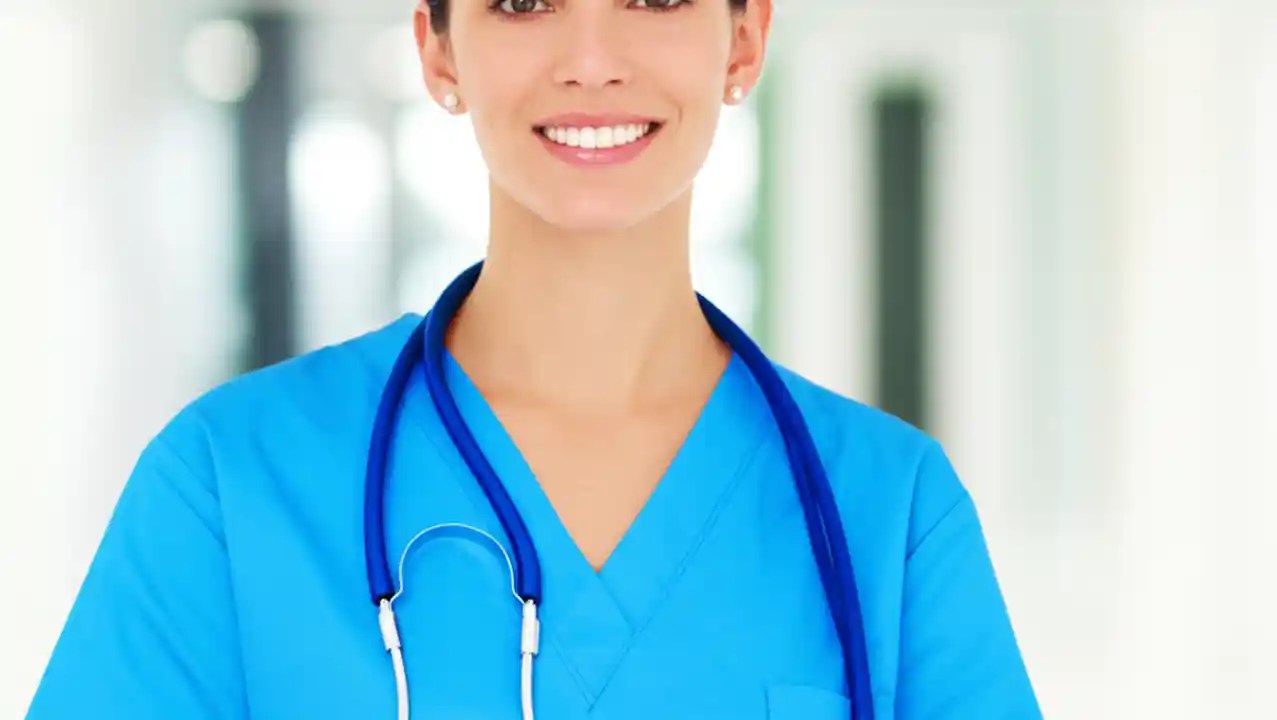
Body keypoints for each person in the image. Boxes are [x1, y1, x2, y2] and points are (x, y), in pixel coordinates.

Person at [26, 0, 1041, 717]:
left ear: (744, 37)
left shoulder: (886, 511)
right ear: (437, 51)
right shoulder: (231, 484)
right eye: (522, 1)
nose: (590, 58)